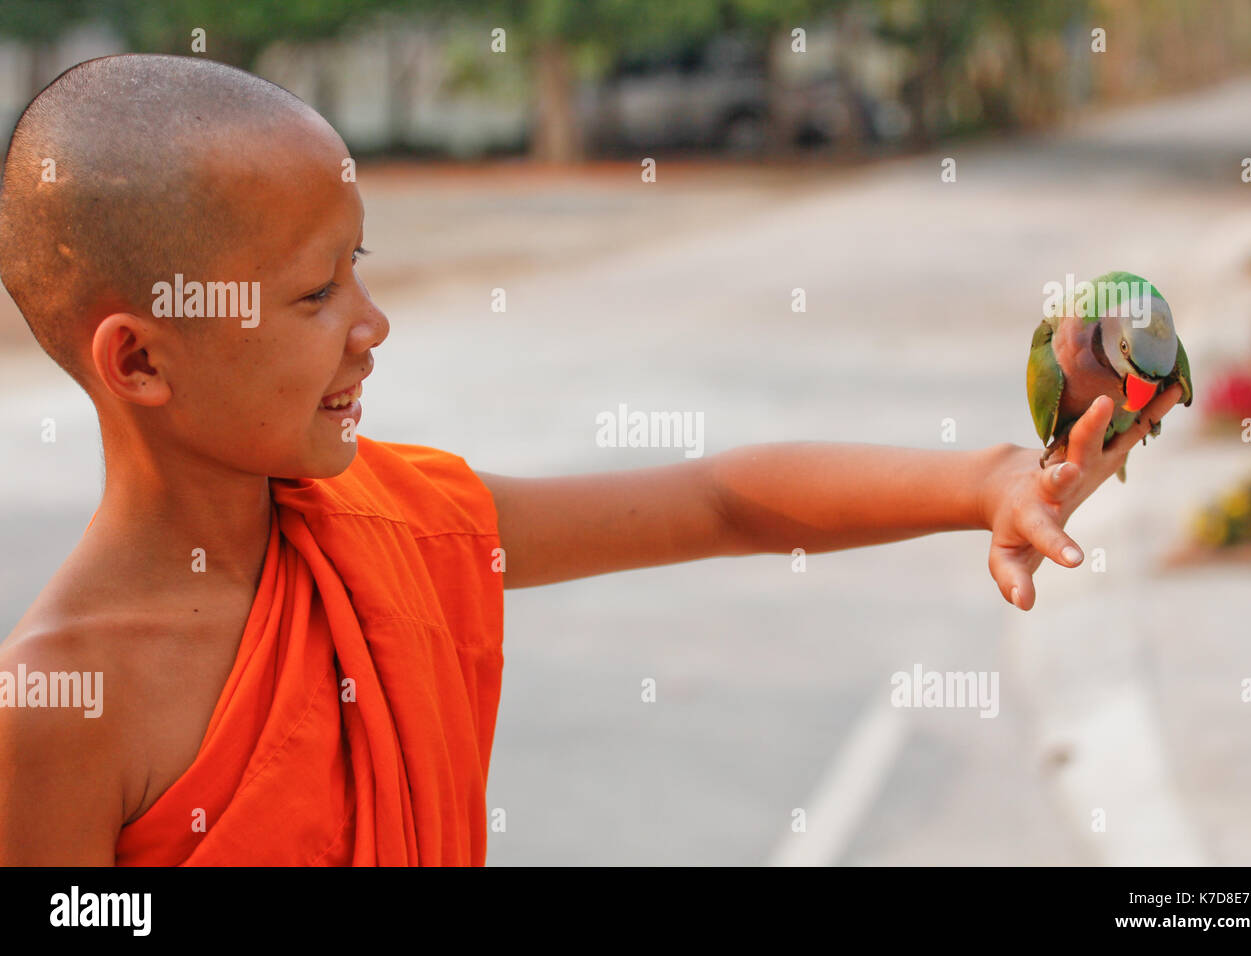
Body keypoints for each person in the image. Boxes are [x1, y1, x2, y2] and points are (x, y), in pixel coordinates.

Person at [0, 54, 1183, 865]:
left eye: (358, 266)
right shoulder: (56, 709)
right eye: (315, 291)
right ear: (140, 360)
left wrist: (984, 483)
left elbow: (720, 502)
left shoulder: (392, 522)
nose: (372, 321)